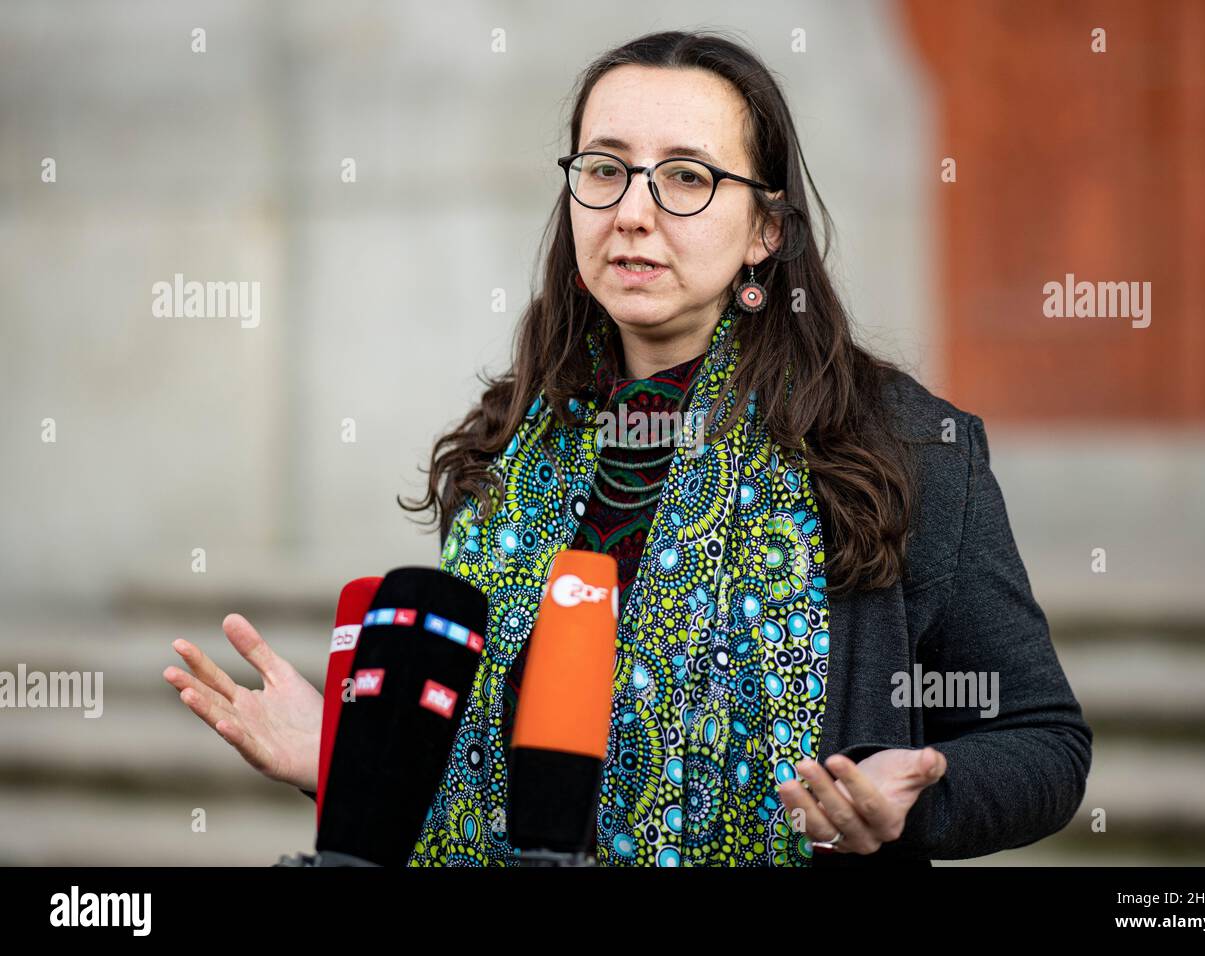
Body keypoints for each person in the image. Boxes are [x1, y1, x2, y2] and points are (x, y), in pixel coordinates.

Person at [164, 29, 1091, 867]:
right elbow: (505, 771)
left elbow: (1045, 741)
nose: (633, 213)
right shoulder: (513, 439)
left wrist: (914, 802)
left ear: (767, 229)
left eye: (687, 177)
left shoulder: (899, 447)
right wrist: (341, 760)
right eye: (605, 170)